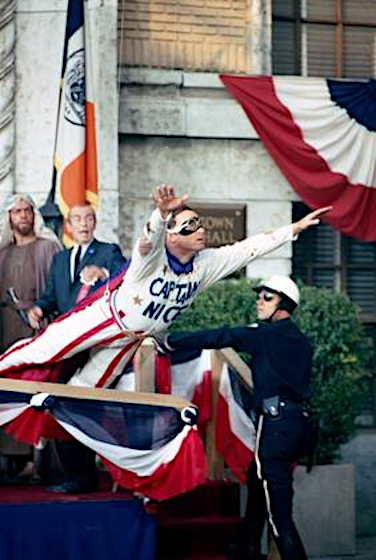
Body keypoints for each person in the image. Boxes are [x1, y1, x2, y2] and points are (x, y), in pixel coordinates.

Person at [0, 185, 329, 394]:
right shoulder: (153, 258)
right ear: (172, 236)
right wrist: (160, 214)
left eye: (199, 222)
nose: (198, 229)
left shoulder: (205, 265)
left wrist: (293, 229)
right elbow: (146, 240)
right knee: (40, 351)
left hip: (132, 340)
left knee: (87, 389)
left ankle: (55, 434)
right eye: (188, 224)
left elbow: (248, 249)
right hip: (104, 318)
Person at [162, 276, 316, 560]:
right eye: (259, 295)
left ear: (285, 305)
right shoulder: (301, 340)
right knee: (257, 483)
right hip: (296, 425)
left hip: (277, 427)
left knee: (279, 517)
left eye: (268, 297)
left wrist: (171, 341)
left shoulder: (265, 334)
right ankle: (246, 548)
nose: (259, 300)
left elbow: (222, 336)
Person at [26, 202, 128, 494]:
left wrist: (105, 272)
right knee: (58, 405)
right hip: (63, 349)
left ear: (95, 222)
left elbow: (124, 280)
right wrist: (37, 308)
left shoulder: (109, 251)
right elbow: (51, 299)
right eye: (77, 219)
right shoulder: (60, 259)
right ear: (69, 225)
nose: (83, 223)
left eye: (89, 218)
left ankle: (85, 476)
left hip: (94, 350)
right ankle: (71, 473)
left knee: (85, 409)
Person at [0, 194, 62, 482]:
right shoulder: (2, 253)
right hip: (6, 327)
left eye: (27, 210)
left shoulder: (48, 248)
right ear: (9, 218)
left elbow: (58, 292)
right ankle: (10, 459)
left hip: (37, 327)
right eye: (17, 212)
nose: (23, 216)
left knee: (34, 390)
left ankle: (37, 461)